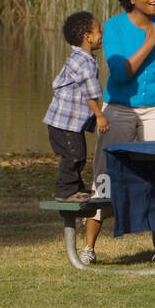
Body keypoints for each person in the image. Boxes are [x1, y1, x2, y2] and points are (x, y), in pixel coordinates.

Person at [81, 0, 155, 265]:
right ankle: (88, 248)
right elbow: (121, 74)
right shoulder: (114, 27)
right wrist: (151, 42)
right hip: (120, 110)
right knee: (105, 178)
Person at [43, 11, 109, 201]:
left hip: (67, 122)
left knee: (76, 154)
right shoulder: (83, 63)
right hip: (64, 123)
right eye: (98, 31)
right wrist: (99, 116)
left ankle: (76, 188)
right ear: (87, 37)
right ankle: (66, 191)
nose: (101, 35)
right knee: (75, 155)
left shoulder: (81, 58)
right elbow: (90, 93)